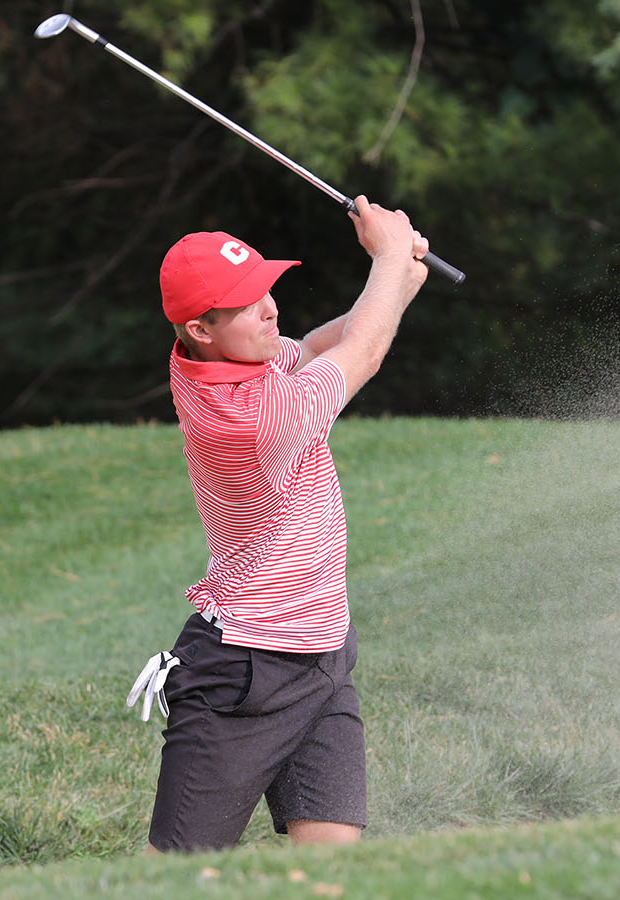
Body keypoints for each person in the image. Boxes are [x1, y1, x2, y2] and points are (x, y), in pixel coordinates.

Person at [126, 195, 430, 853]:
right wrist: (383, 263)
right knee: (175, 875)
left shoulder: (218, 358)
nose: (271, 308)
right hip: (243, 672)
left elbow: (323, 344)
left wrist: (396, 282)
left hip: (322, 653)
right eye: (247, 302)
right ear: (202, 328)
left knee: (330, 862)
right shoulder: (254, 421)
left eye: (266, 287)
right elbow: (364, 353)